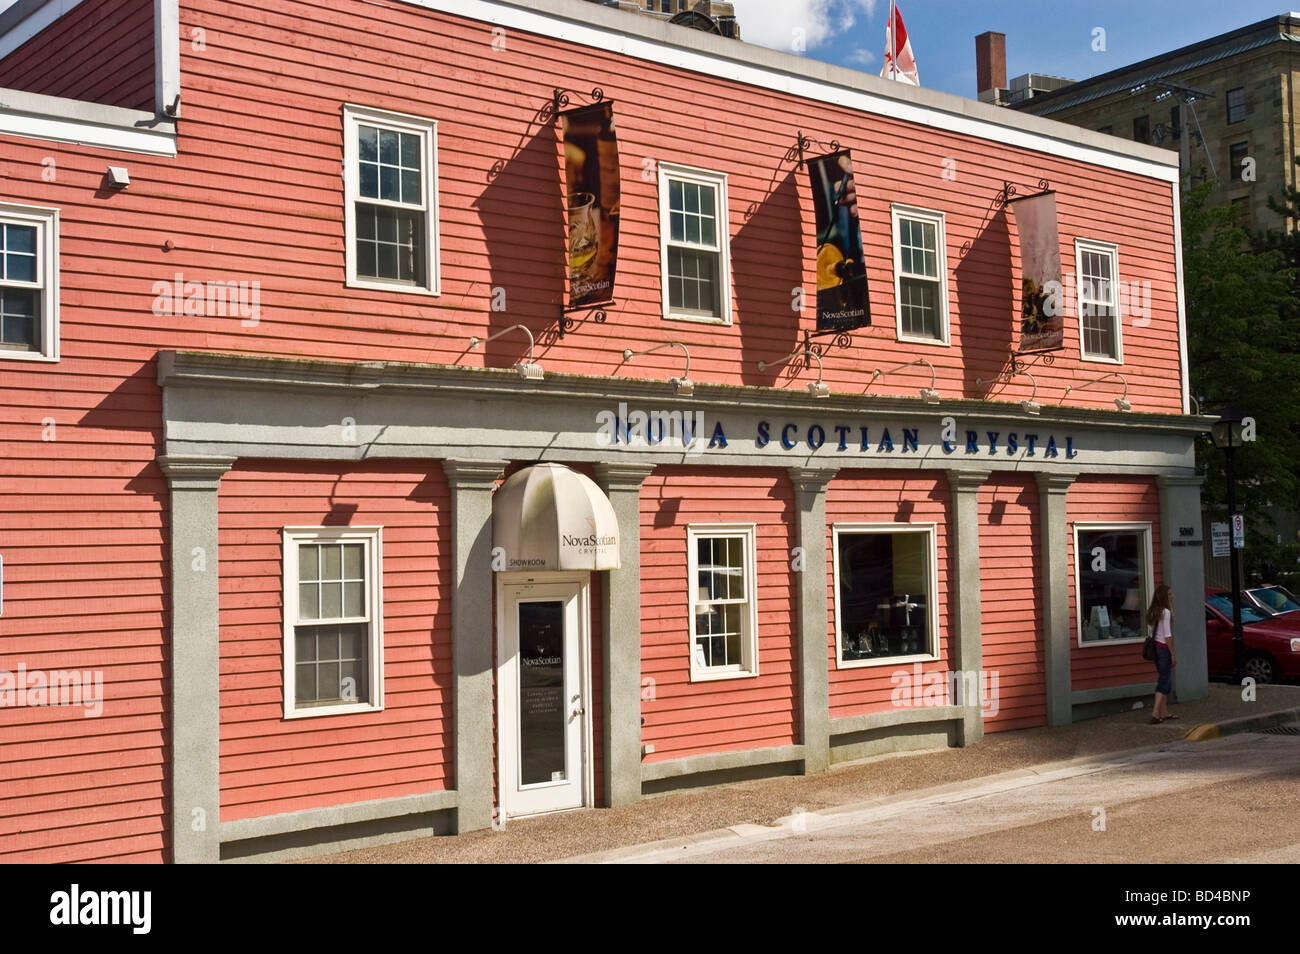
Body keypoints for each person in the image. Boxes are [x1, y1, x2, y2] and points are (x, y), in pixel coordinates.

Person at [1147, 584, 1177, 723]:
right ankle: (1155, 712)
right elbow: (1167, 635)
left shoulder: (1153, 611)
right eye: (1170, 594)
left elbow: (1151, 632)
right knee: (1164, 681)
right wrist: (1172, 653)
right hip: (1163, 649)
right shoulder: (1165, 612)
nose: (1172, 596)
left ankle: (1164, 712)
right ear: (1165, 597)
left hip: (1155, 649)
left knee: (1164, 678)